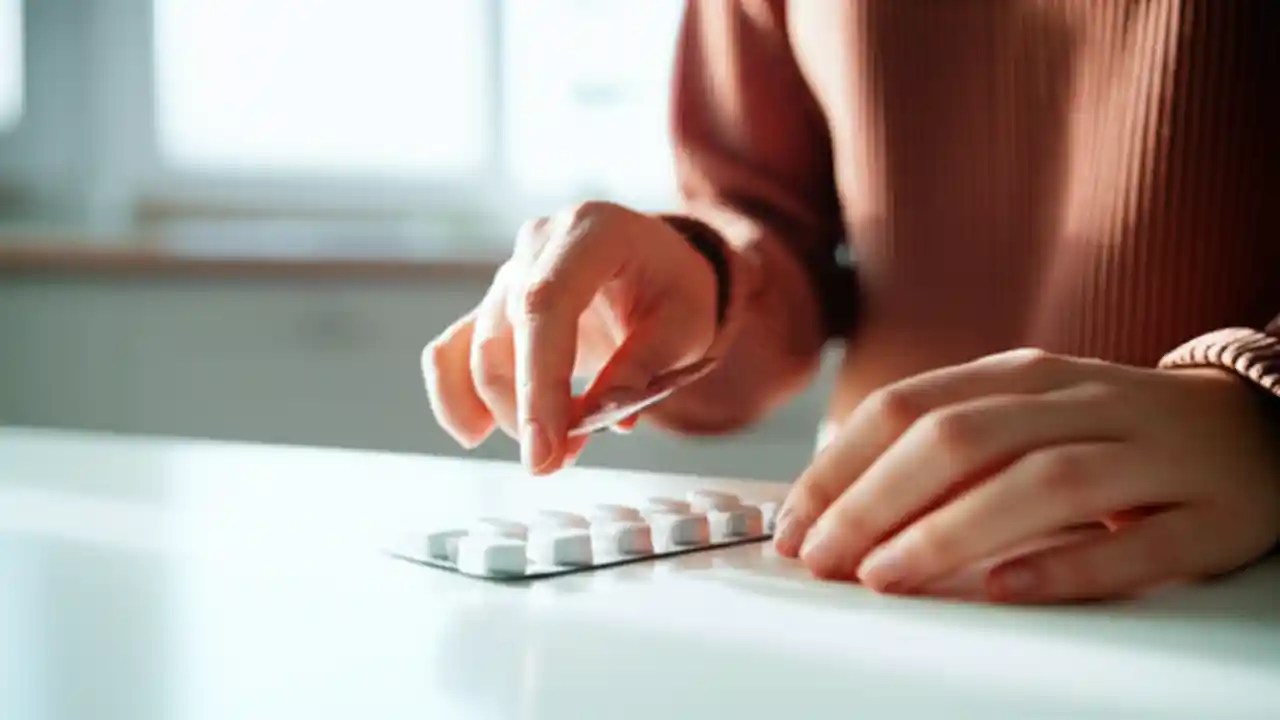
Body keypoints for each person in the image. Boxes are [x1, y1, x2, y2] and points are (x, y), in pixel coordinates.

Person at [422, 1, 1279, 603]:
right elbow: (776, 232)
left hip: (1225, 573)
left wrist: (1260, 409)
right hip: (877, 561)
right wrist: (709, 276)